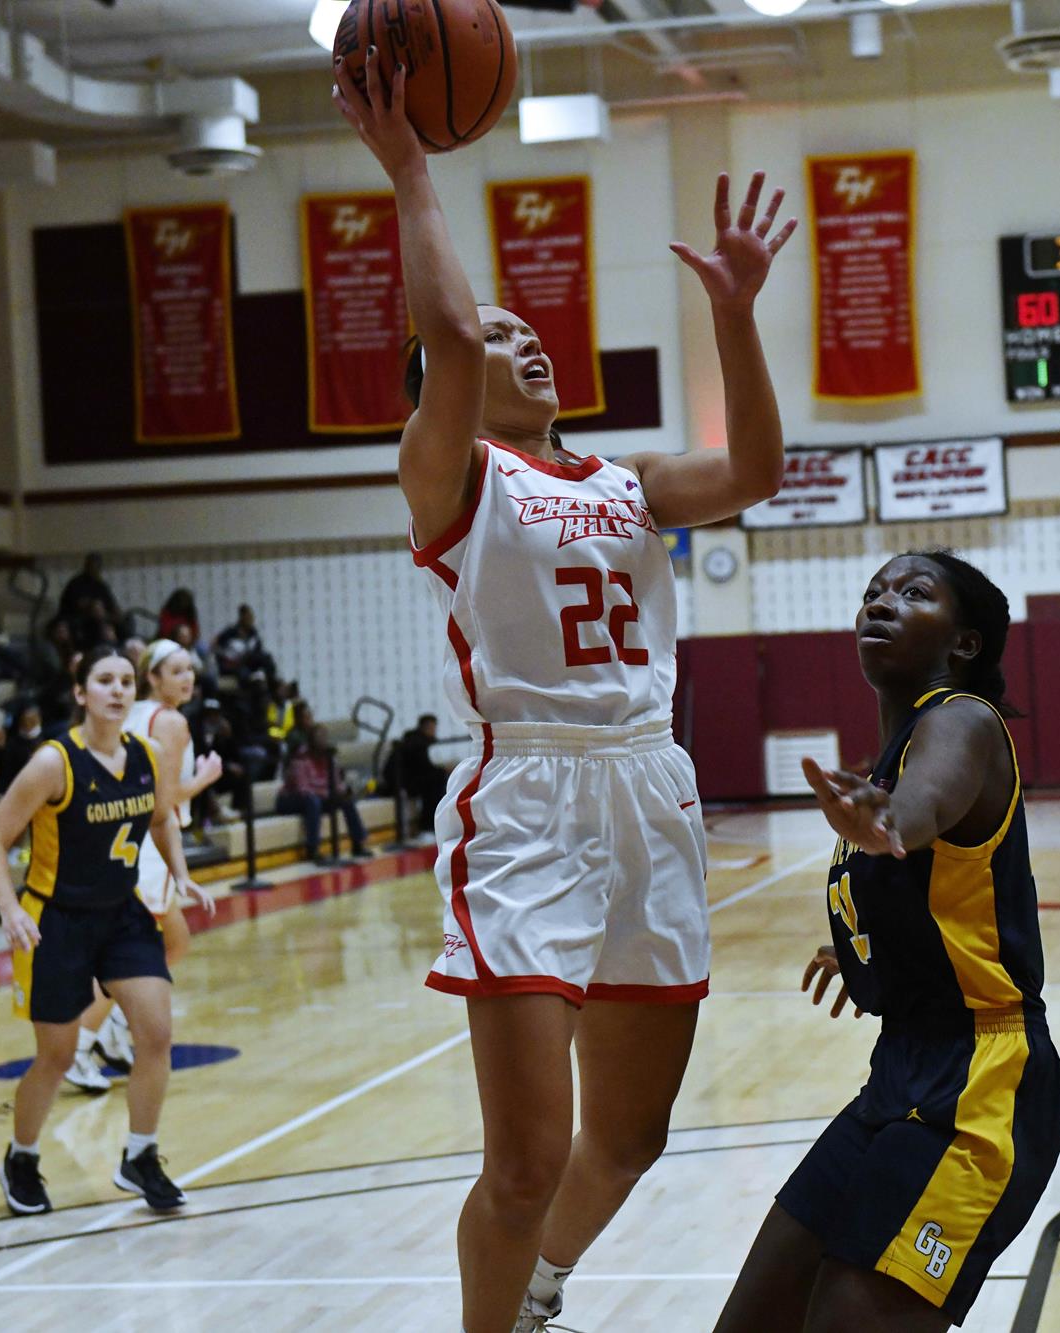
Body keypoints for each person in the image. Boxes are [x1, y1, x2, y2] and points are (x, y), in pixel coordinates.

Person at [334, 46, 794, 1333]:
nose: (519, 341)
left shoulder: (627, 482)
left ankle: (538, 1291)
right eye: (496, 336)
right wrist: (409, 167)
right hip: (529, 799)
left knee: (631, 1136)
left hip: (650, 787)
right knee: (525, 1160)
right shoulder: (453, 479)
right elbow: (441, 330)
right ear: (442, 393)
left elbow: (756, 470)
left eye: (527, 333)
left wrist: (734, 315)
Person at [713, 552, 1060, 1332]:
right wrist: (866, 950)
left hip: (980, 1082)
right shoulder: (895, 752)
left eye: (913, 593)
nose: (882, 601)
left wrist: (886, 824)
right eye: (873, 591)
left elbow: (919, 812)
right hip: (900, 1074)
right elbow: (931, 885)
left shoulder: (962, 720)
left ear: (964, 642)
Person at [0, 644, 213, 1216]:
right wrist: (9, 908)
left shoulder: (148, 754)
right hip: (56, 919)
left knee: (155, 1033)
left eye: (126, 682)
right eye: (104, 680)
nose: (117, 690)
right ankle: (21, 1157)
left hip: (122, 913)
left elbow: (161, 819)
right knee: (56, 1056)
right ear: (81, 693)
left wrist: (181, 874)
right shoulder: (53, 763)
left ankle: (141, 1155)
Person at [70, 639, 224, 1080]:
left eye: (190, 670)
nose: (187, 678)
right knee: (133, 958)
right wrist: (205, 778)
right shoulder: (170, 721)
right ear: (152, 678)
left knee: (174, 944)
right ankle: (80, 1044)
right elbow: (167, 798)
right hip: (148, 848)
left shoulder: (131, 714)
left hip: (123, 841)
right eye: (176, 671)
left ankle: (113, 1026)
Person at [277, 722, 370, 862]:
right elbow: (303, 789)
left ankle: (358, 844)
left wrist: (344, 791)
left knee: (346, 800)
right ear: (311, 740)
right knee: (313, 801)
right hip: (290, 799)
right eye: (319, 737)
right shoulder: (300, 758)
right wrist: (327, 793)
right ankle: (312, 849)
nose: (323, 740)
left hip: (319, 797)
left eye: (324, 737)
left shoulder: (329, 757)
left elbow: (336, 783)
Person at [390, 713, 448, 839]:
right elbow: (421, 766)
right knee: (435, 784)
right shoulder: (417, 743)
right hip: (403, 781)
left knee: (438, 780)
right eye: (433, 728)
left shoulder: (419, 741)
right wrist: (444, 770)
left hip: (412, 778)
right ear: (427, 727)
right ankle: (427, 827)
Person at [56, 553, 122, 634]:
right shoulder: (76, 583)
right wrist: (93, 607)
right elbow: (76, 605)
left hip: (101, 618)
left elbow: (111, 604)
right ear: (86, 566)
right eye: (92, 566)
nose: (94, 569)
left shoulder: (100, 585)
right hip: (78, 618)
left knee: (121, 622)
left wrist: (114, 613)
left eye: (97, 566)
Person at [214, 604, 275, 684]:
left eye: (251, 617)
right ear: (242, 618)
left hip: (249, 662)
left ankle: (272, 683)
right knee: (244, 674)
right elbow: (216, 646)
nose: (250, 620)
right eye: (248, 617)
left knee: (267, 659)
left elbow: (258, 651)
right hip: (235, 664)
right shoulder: (230, 632)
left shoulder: (253, 634)